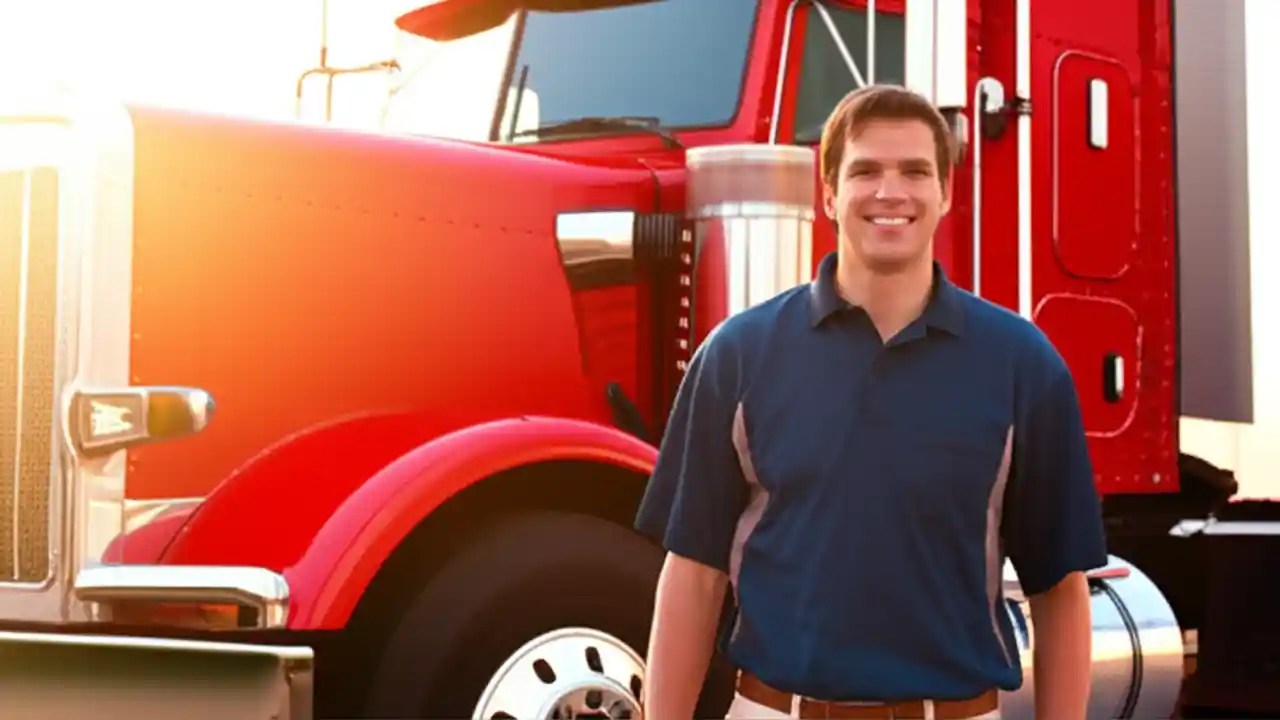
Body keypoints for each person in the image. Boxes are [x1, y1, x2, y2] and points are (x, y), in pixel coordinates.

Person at [634, 84, 1108, 720]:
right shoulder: (737, 357)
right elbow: (692, 576)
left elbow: (1059, 588)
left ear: (946, 193)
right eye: (865, 171)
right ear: (828, 194)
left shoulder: (1023, 365)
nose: (891, 192)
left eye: (915, 171)